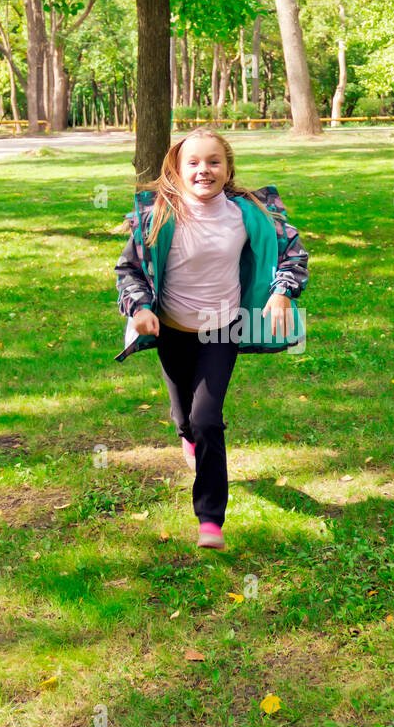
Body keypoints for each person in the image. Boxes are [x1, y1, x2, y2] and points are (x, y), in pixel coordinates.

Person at [114, 128, 309, 549]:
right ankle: (185, 433)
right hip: (172, 331)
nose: (205, 169)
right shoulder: (157, 215)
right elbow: (128, 271)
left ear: (228, 167)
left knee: (207, 420)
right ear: (178, 170)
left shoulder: (249, 214)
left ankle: (210, 520)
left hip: (222, 331)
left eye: (214, 161)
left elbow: (292, 252)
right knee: (186, 418)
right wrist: (141, 308)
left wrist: (281, 293)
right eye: (194, 162)